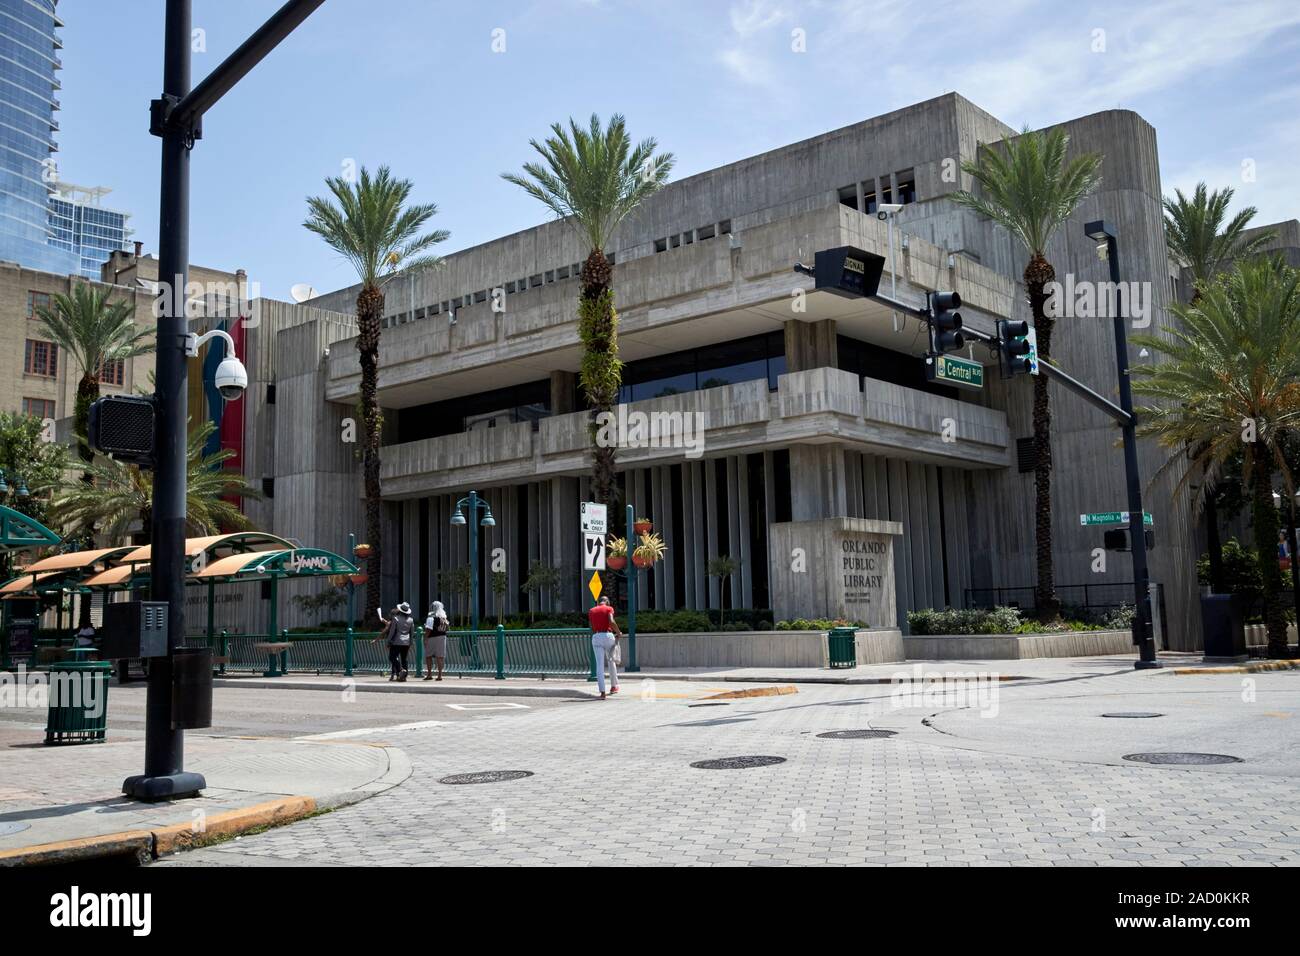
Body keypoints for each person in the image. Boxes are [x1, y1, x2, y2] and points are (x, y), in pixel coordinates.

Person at [588, 595, 622, 699]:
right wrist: (618, 632)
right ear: (607, 602)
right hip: (608, 635)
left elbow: (591, 625)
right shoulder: (609, 609)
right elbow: (611, 621)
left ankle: (602, 692)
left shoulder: (592, 610)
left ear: (599, 602)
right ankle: (613, 686)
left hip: (597, 636)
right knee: (611, 661)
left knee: (599, 665)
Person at [378, 602, 415, 682]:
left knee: (392, 657)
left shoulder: (396, 618)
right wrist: (411, 643)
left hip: (397, 641)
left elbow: (392, 632)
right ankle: (404, 676)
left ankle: (400, 670)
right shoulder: (411, 620)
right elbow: (412, 633)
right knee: (404, 659)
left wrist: (388, 642)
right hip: (406, 642)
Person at [423, 600, 449, 681]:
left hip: (432, 637)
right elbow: (447, 627)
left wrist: (425, 638)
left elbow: (429, 628)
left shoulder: (431, 616)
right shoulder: (444, 617)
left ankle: (429, 674)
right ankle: (440, 675)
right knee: (440, 657)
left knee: (428, 656)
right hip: (442, 637)